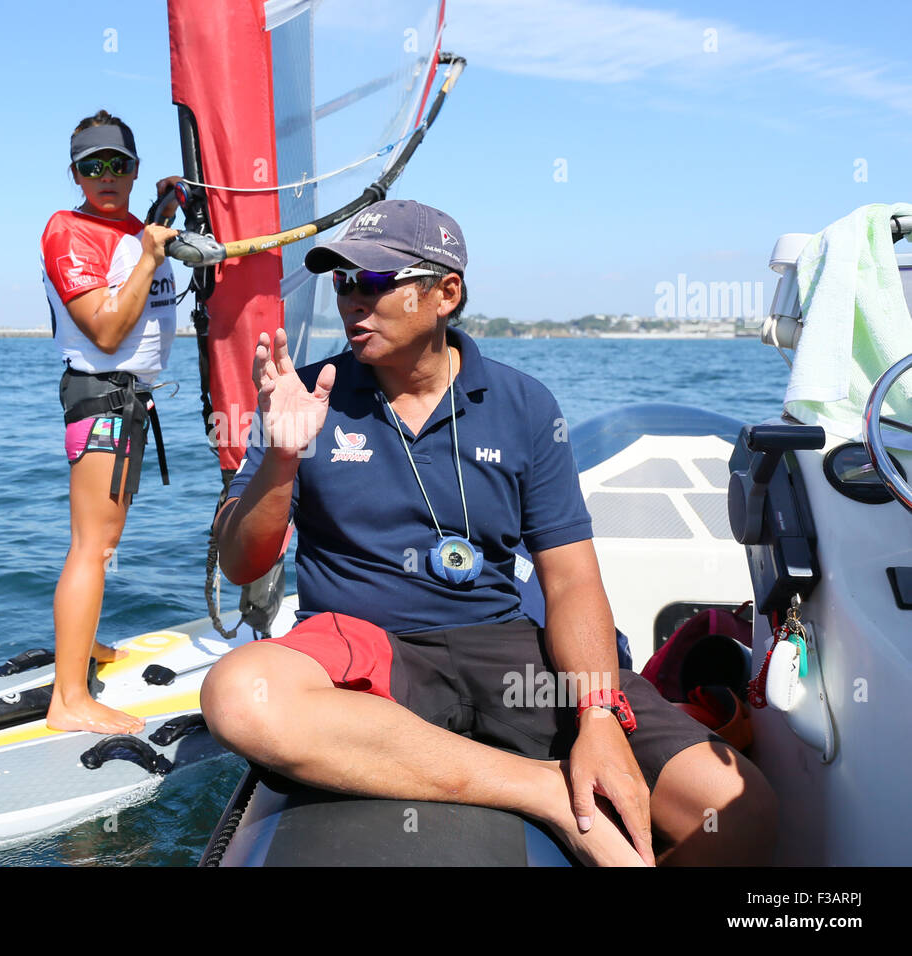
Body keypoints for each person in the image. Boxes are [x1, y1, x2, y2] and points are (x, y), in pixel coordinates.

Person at [200, 199, 778, 865]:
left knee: (740, 813)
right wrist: (280, 457)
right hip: (368, 652)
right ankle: (544, 791)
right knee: (239, 695)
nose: (353, 301)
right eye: (342, 283)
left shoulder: (524, 405)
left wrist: (596, 715)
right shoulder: (303, 398)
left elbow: (570, 580)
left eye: (376, 281)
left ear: (446, 293)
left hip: (506, 651)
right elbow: (243, 566)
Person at [39, 110, 180, 733]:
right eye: (91, 166)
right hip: (101, 396)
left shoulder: (136, 230)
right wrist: (152, 252)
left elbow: (140, 257)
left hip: (132, 401)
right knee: (90, 546)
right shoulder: (69, 231)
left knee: (106, 542)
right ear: (74, 174)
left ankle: (83, 643)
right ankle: (68, 700)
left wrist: (165, 214)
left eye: (117, 164)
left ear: (134, 170)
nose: (105, 175)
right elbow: (105, 328)